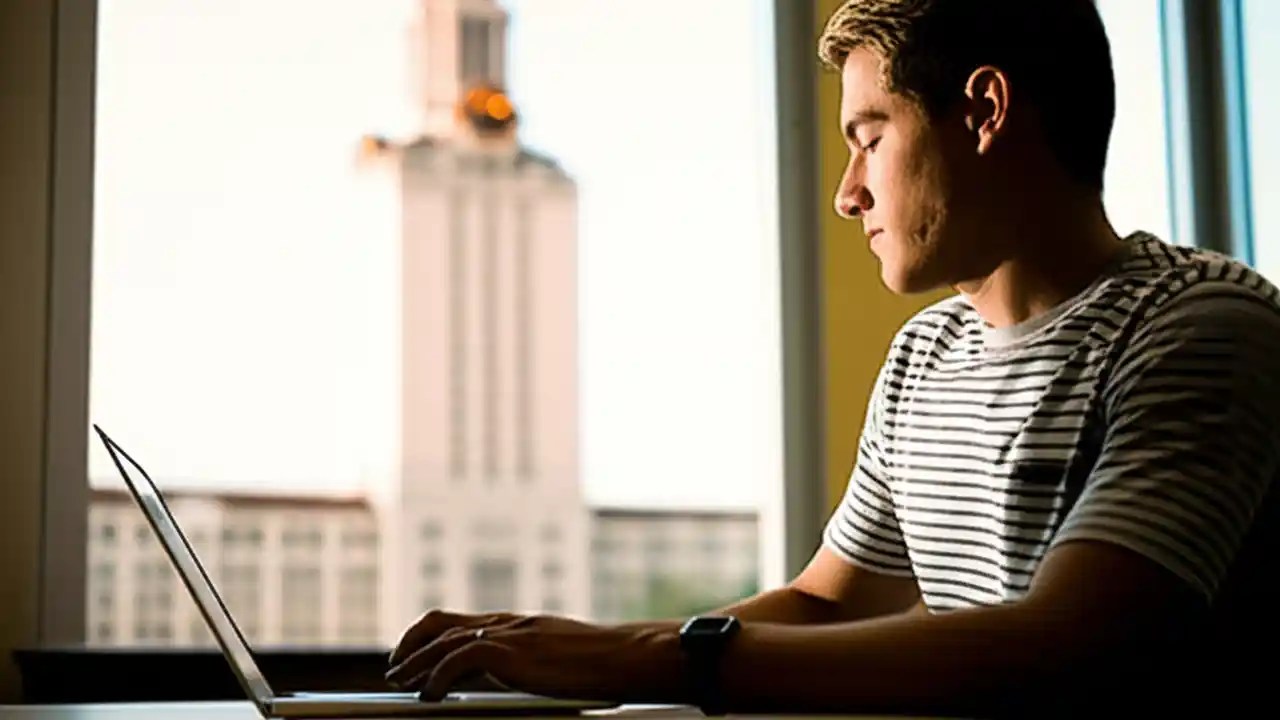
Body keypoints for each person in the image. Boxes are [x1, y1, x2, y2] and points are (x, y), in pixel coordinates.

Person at [386, 0, 1280, 715]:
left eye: (869, 138)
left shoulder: (1202, 325)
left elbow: (1065, 651)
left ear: (983, 112)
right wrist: (576, 662)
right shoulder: (925, 355)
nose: (847, 194)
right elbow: (826, 602)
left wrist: (642, 657)